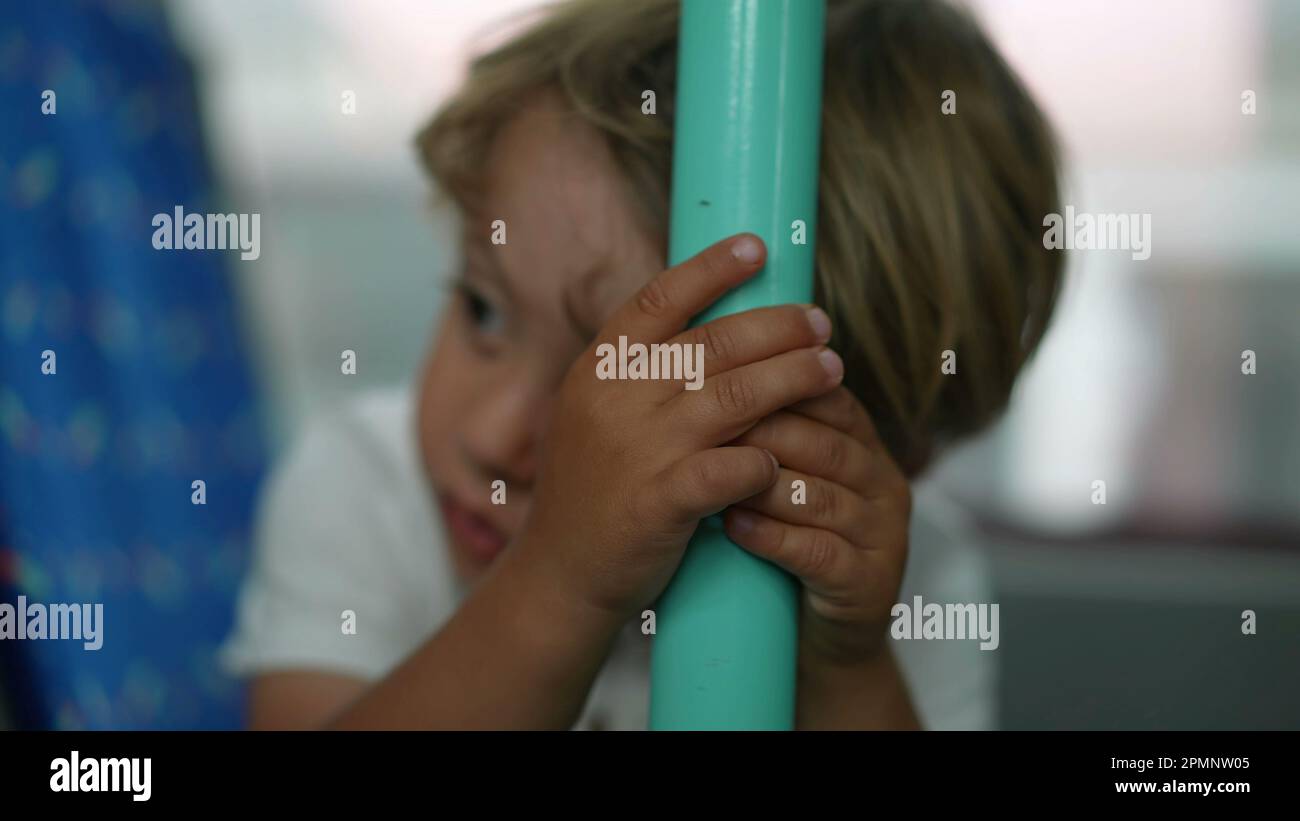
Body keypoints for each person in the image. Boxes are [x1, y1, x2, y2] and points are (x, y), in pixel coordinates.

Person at [220, 0, 1063, 730]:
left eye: (619, 382)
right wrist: (561, 580)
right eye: (484, 308)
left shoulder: (914, 579)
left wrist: (844, 671)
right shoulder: (365, 489)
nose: (489, 433)